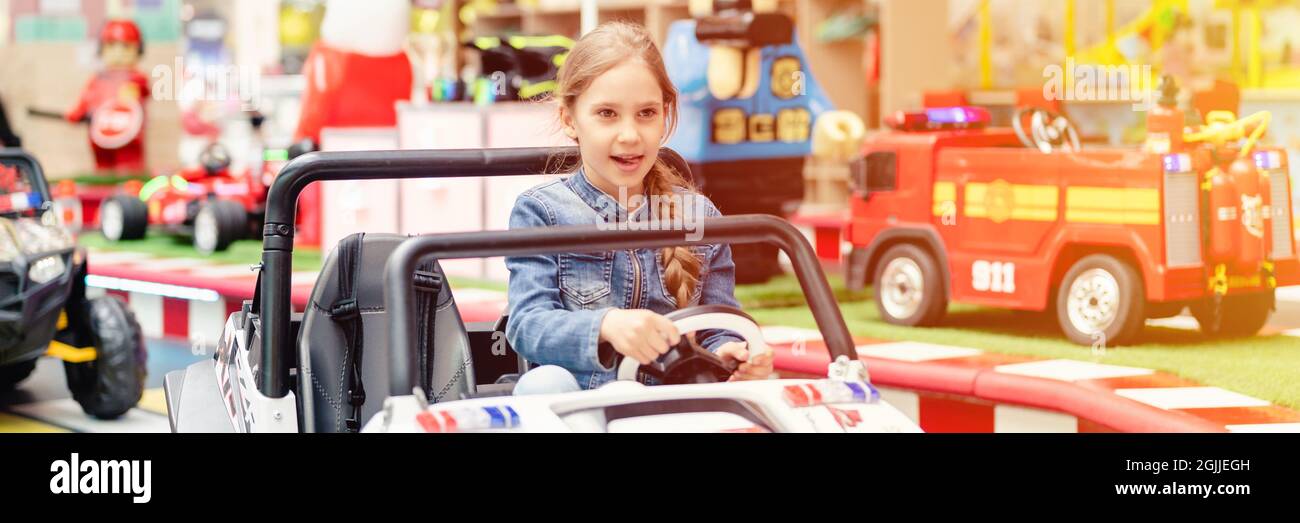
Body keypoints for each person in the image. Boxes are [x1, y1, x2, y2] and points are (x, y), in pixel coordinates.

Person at [506, 21, 774, 395]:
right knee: (544, 383)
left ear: (665, 115)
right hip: (576, 406)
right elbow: (527, 325)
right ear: (570, 119)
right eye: (607, 114)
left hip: (669, 402)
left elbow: (717, 324)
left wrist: (730, 353)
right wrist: (606, 325)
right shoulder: (542, 211)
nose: (630, 135)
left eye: (646, 113)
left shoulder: (700, 217)